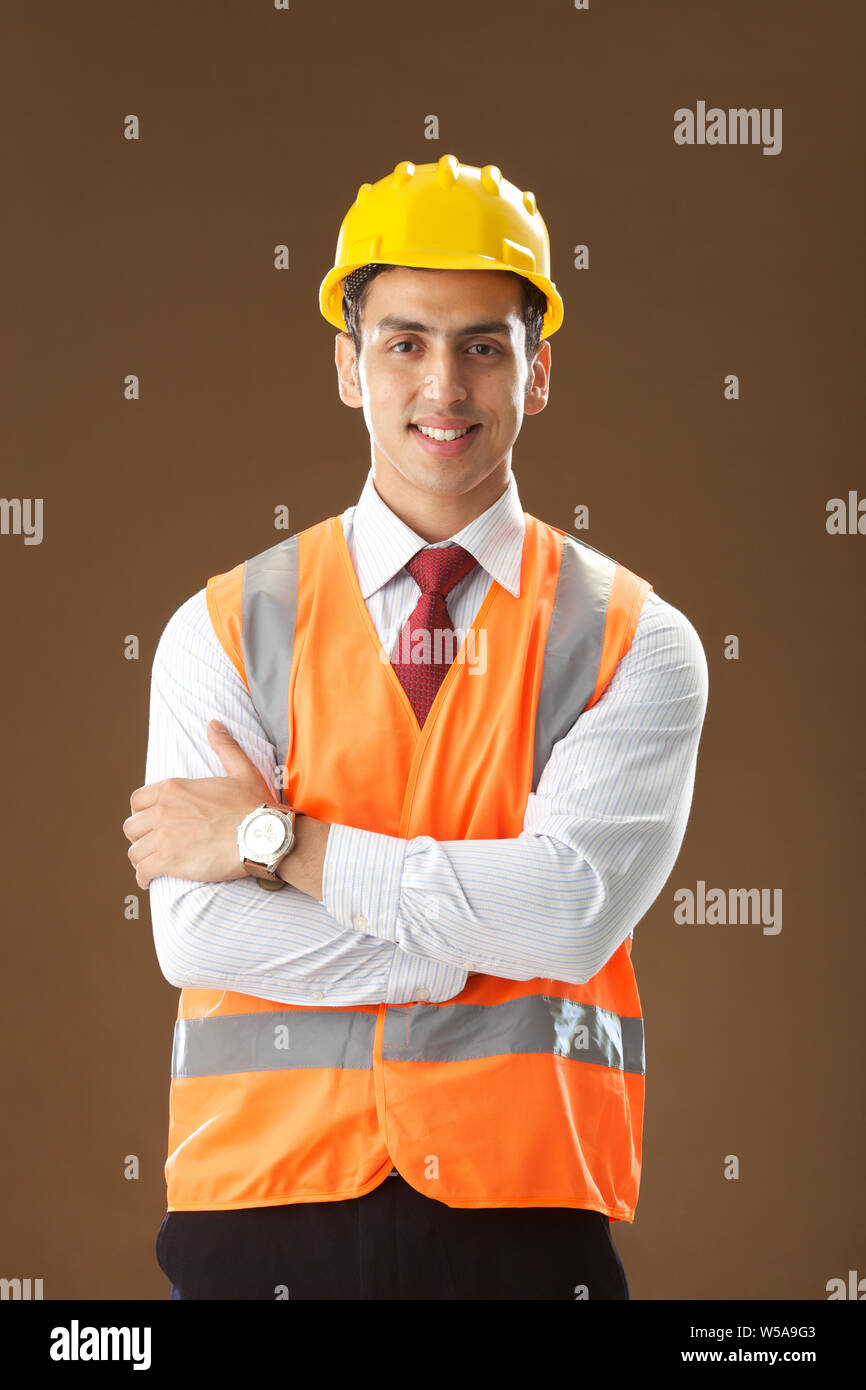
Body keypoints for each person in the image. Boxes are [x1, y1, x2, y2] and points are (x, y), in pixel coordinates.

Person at [123, 154, 708, 1300]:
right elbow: (195, 937)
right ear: (349, 367)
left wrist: (276, 846)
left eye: (482, 343)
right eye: (403, 341)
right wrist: (470, 943)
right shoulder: (222, 627)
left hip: (524, 1223)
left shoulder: (636, 639)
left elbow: (571, 916)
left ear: (535, 374)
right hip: (258, 1214)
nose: (443, 384)